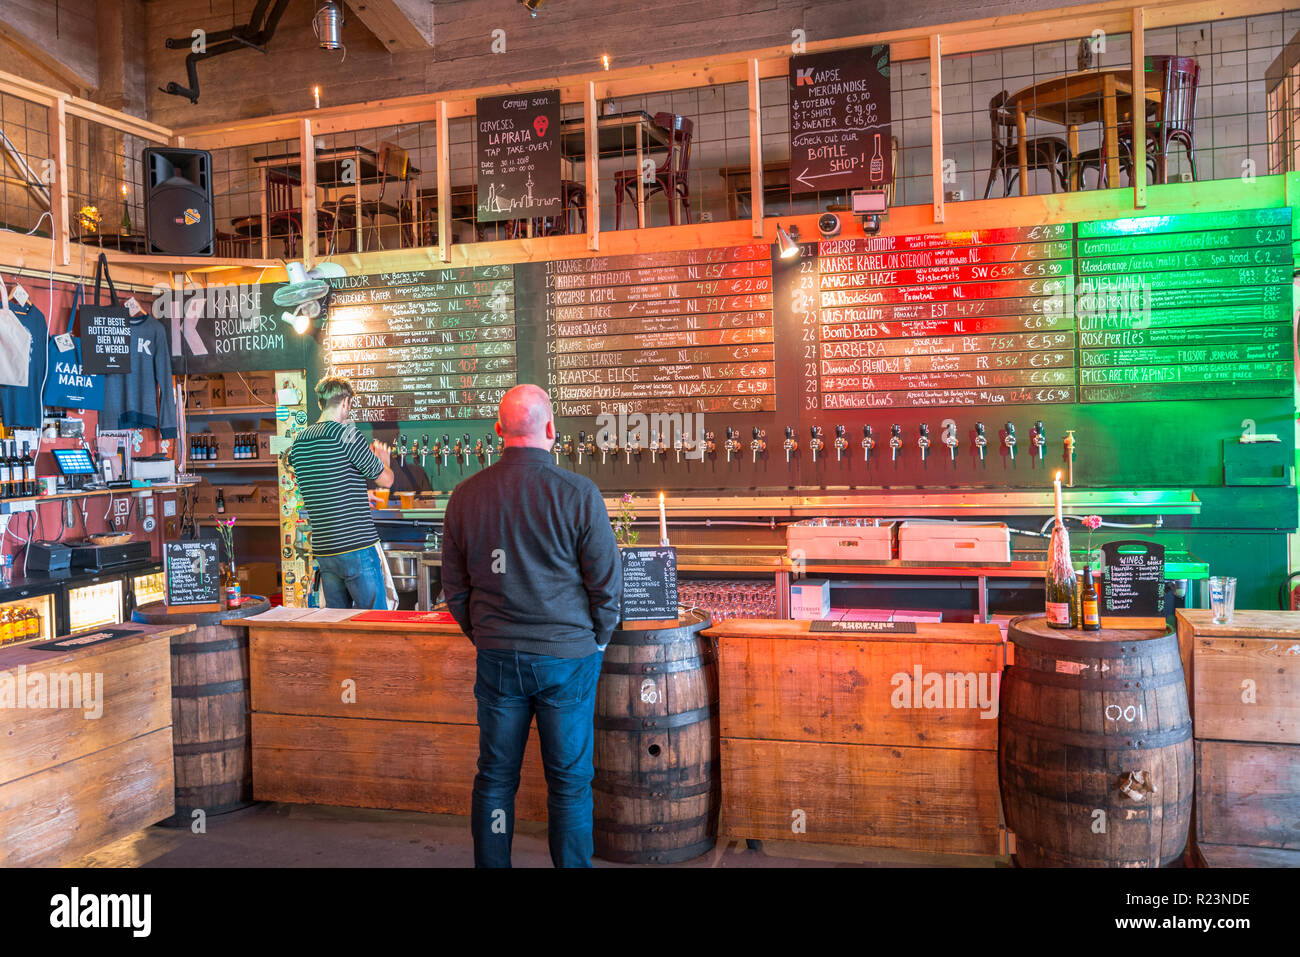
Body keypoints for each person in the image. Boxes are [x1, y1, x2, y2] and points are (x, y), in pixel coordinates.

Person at [441, 384, 621, 868]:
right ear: (551, 430)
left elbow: (454, 590)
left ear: (498, 431)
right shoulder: (579, 494)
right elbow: (607, 588)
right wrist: (597, 642)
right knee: (569, 783)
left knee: (496, 779)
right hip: (567, 658)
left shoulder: (465, 496)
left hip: (499, 659)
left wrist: (485, 635)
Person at [286, 376, 394, 609]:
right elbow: (386, 480)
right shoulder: (347, 434)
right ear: (346, 402)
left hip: (326, 552)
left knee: (339, 624)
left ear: (320, 404)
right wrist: (383, 460)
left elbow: (323, 482)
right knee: (375, 621)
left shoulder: (300, 441)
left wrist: (357, 494)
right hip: (357, 548)